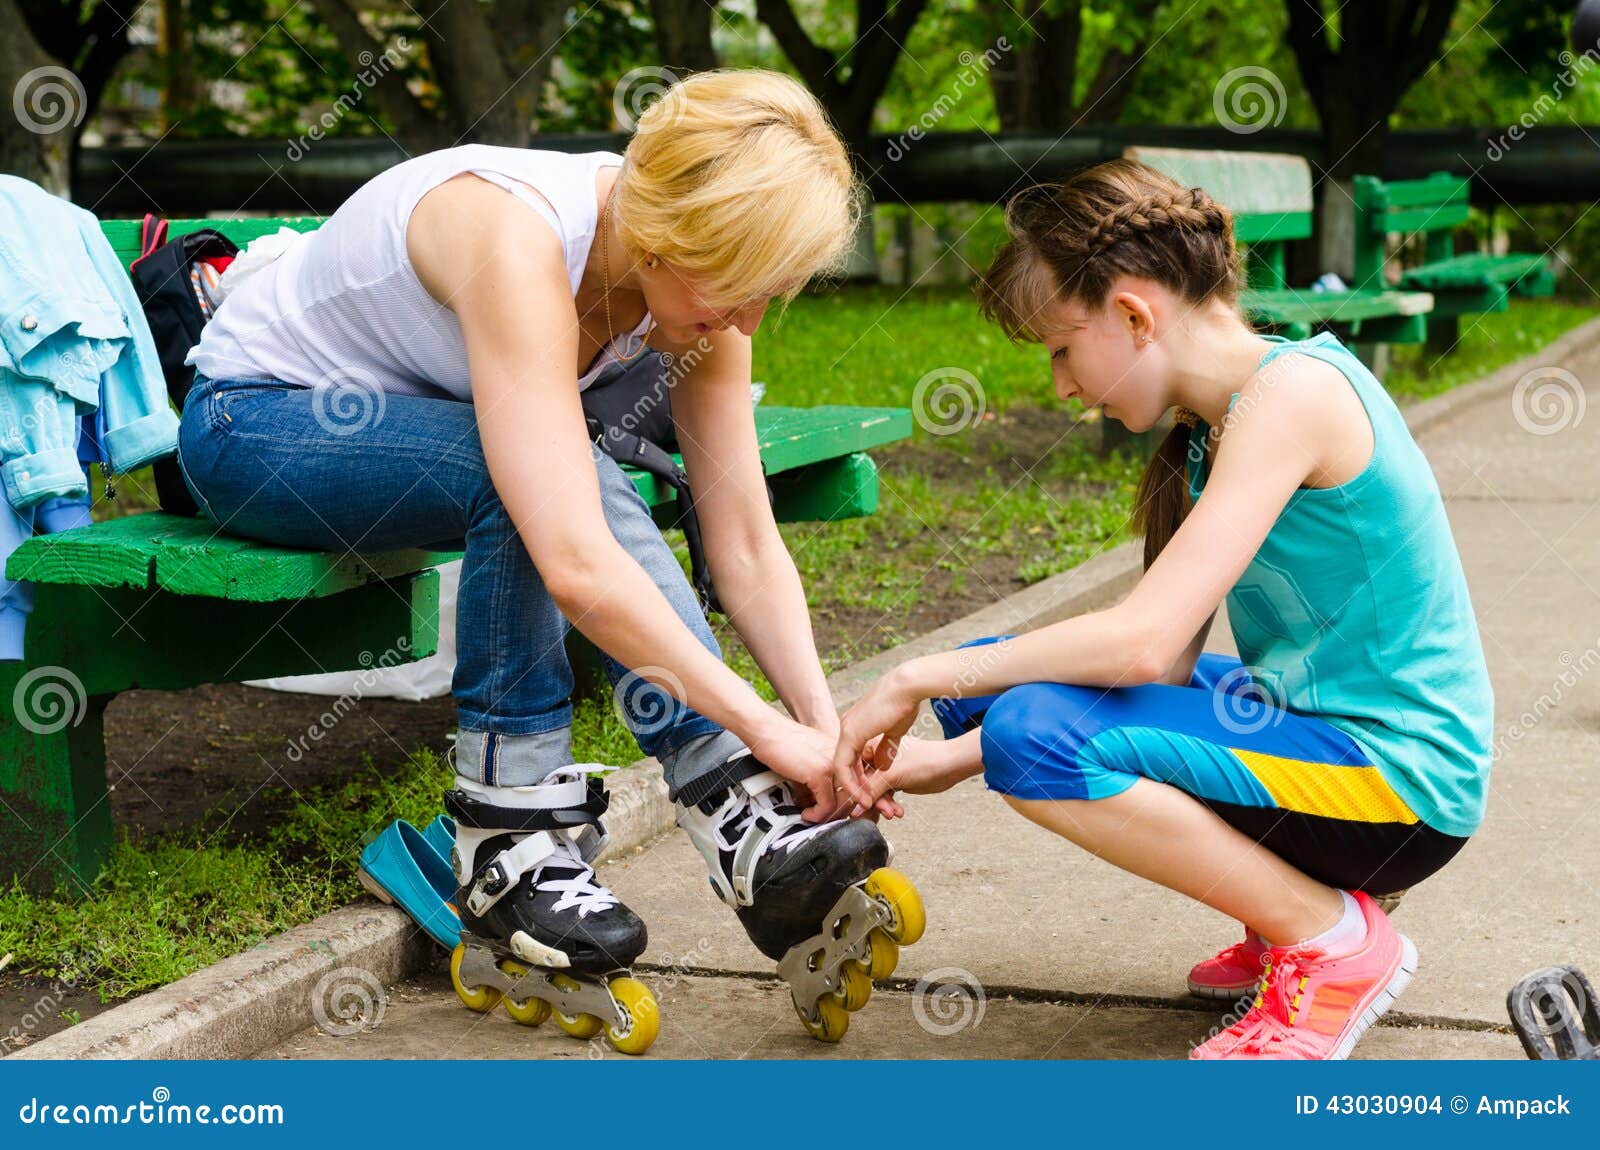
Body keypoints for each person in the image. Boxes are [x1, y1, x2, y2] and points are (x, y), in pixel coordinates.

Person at [177, 68, 909, 1038]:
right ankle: (507, 828)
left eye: (768, 296)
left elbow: (743, 538)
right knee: (523, 472)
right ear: (663, 238)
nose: (746, 324)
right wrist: (762, 733)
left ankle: (739, 812)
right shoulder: (512, 237)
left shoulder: (696, 284)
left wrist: (824, 732)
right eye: (738, 292)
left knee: (547, 465)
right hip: (256, 425)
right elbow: (570, 559)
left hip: (422, 439)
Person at [831, 158, 1493, 1060]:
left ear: (1135, 314)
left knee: (1032, 724)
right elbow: (1168, 665)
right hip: (1320, 744)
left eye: (1062, 350)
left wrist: (914, 672)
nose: (1062, 386)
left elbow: (1141, 649)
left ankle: (1330, 939)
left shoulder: (1292, 396)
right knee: (1006, 685)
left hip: (1401, 785)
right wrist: (945, 756)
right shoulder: (1208, 433)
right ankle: (1285, 909)